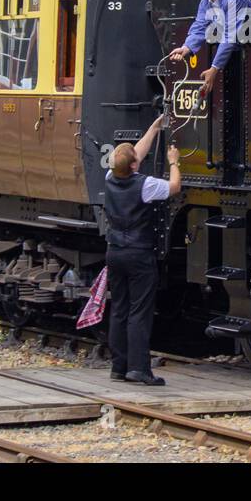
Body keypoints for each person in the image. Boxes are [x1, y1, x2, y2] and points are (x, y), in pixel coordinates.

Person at [103, 113, 180, 386]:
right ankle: (139, 368)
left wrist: (154, 127)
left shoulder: (110, 177)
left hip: (115, 251)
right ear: (135, 165)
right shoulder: (145, 185)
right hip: (138, 253)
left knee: (119, 308)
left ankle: (118, 366)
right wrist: (174, 162)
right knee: (139, 311)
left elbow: (136, 152)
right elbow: (174, 186)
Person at [169, 0, 251, 96]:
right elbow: (200, 27)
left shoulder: (233, 0)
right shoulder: (205, 2)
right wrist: (186, 47)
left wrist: (214, 68)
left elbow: (230, 36)